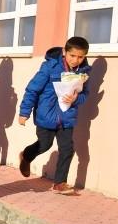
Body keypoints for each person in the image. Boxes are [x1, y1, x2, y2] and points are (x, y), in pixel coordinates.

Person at [18, 37, 91, 195]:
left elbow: (85, 94)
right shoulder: (50, 67)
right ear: (65, 52)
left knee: (67, 149)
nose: (76, 60)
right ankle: (26, 155)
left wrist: (76, 98)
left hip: (67, 117)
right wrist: (24, 112)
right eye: (72, 56)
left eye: (80, 57)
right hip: (46, 115)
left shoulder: (83, 72)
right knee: (45, 145)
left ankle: (59, 183)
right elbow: (32, 89)